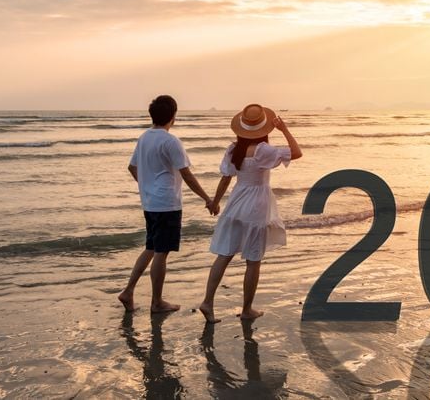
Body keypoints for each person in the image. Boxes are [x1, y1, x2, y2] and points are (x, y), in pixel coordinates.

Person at [198, 103, 302, 322]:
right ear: (263, 129)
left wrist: (216, 203)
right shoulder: (263, 151)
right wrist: (284, 129)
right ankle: (246, 310)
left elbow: (226, 178)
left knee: (224, 255)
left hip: (236, 202)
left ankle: (208, 302)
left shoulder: (233, 149)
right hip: (257, 206)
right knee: (253, 260)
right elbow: (297, 152)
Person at [118, 95, 217, 313]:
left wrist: (147, 186)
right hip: (166, 205)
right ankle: (157, 302)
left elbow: (132, 167)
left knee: (151, 248)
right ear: (173, 116)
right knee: (161, 253)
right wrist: (207, 199)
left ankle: (128, 292)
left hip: (151, 203)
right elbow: (187, 175)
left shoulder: (144, 137)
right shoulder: (170, 141)